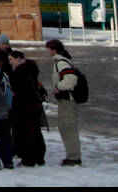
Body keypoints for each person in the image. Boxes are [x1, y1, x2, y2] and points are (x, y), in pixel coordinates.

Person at [6, 50, 47, 167]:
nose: (10, 63)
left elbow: (16, 88)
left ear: (18, 58)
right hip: (34, 105)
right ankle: (39, 156)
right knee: (35, 131)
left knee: (25, 132)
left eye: (11, 60)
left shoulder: (19, 71)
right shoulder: (31, 68)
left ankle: (28, 158)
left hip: (23, 106)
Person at [46, 38, 82, 166]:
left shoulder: (60, 62)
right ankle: (73, 155)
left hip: (67, 100)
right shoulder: (64, 60)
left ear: (53, 49)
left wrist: (58, 87)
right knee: (67, 127)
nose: (48, 52)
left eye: (48, 49)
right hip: (68, 100)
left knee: (68, 128)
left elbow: (71, 78)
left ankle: (74, 157)